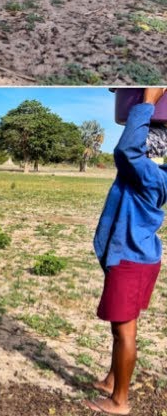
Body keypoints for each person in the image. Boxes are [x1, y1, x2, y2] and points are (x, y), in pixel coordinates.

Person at [86, 87, 167, 416]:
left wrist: (146, 102)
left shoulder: (147, 174)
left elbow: (127, 149)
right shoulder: (152, 174)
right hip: (137, 257)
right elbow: (132, 149)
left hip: (132, 260)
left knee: (124, 330)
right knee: (121, 327)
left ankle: (119, 401)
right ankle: (111, 379)